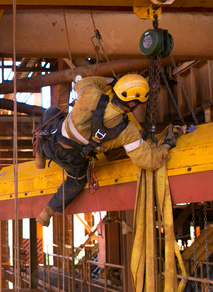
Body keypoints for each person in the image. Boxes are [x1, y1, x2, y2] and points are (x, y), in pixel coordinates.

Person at [33, 74, 175, 227]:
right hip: (70, 159)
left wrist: (111, 80)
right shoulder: (127, 131)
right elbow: (148, 161)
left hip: (51, 140)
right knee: (75, 182)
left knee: (51, 111)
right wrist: (167, 144)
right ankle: (47, 212)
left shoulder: (91, 93)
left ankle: (39, 154)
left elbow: (81, 82)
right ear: (133, 104)